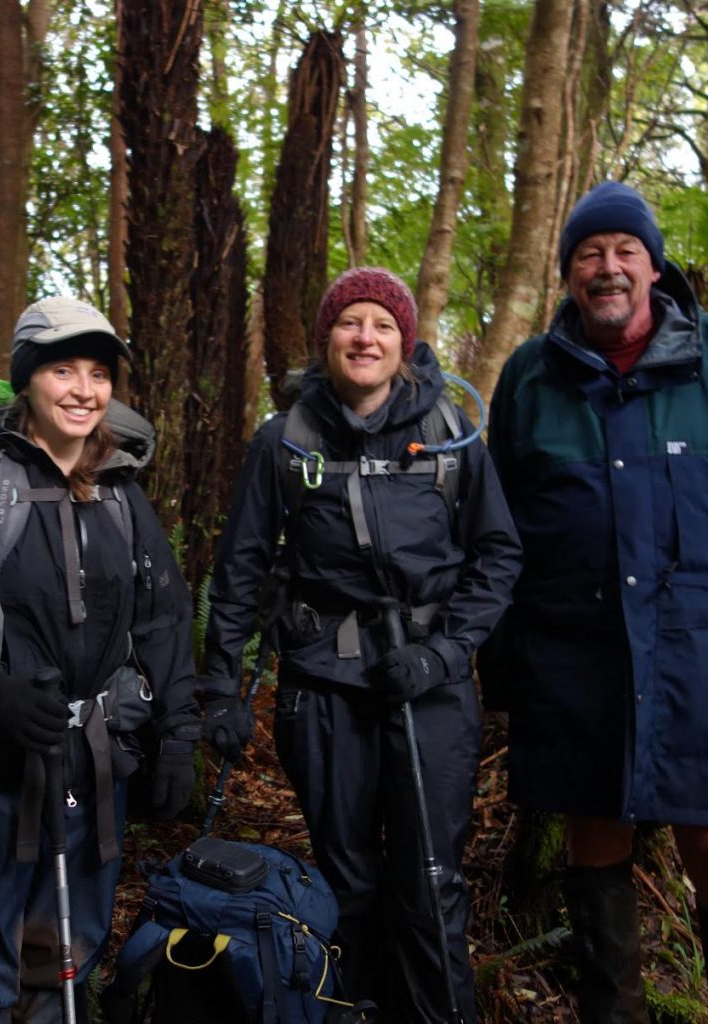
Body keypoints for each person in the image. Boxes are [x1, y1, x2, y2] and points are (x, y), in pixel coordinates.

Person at [482, 181, 708, 1023]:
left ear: (655, 268)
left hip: (696, 658)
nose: (608, 267)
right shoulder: (530, 376)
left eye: (625, 250)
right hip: (573, 657)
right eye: (589, 254)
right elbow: (497, 534)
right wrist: (501, 666)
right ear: (568, 277)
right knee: (595, 842)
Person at [201, 267, 523, 1022]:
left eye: (382, 324)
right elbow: (239, 568)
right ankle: (356, 1007)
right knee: (346, 877)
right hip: (323, 685)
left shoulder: (448, 434)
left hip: (430, 685)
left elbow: (499, 554)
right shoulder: (285, 442)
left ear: (404, 343)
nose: (365, 337)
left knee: (431, 875)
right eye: (351, 323)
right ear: (328, 338)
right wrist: (220, 689)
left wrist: (446, 652)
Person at [0, 297, 202, 1023]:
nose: (82, 389)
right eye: (62, 370)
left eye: (99, 374)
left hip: (94, 763)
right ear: (27, 382)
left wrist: (179, 734)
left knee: (65, 959)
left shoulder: (122, 496)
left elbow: (163, 616)